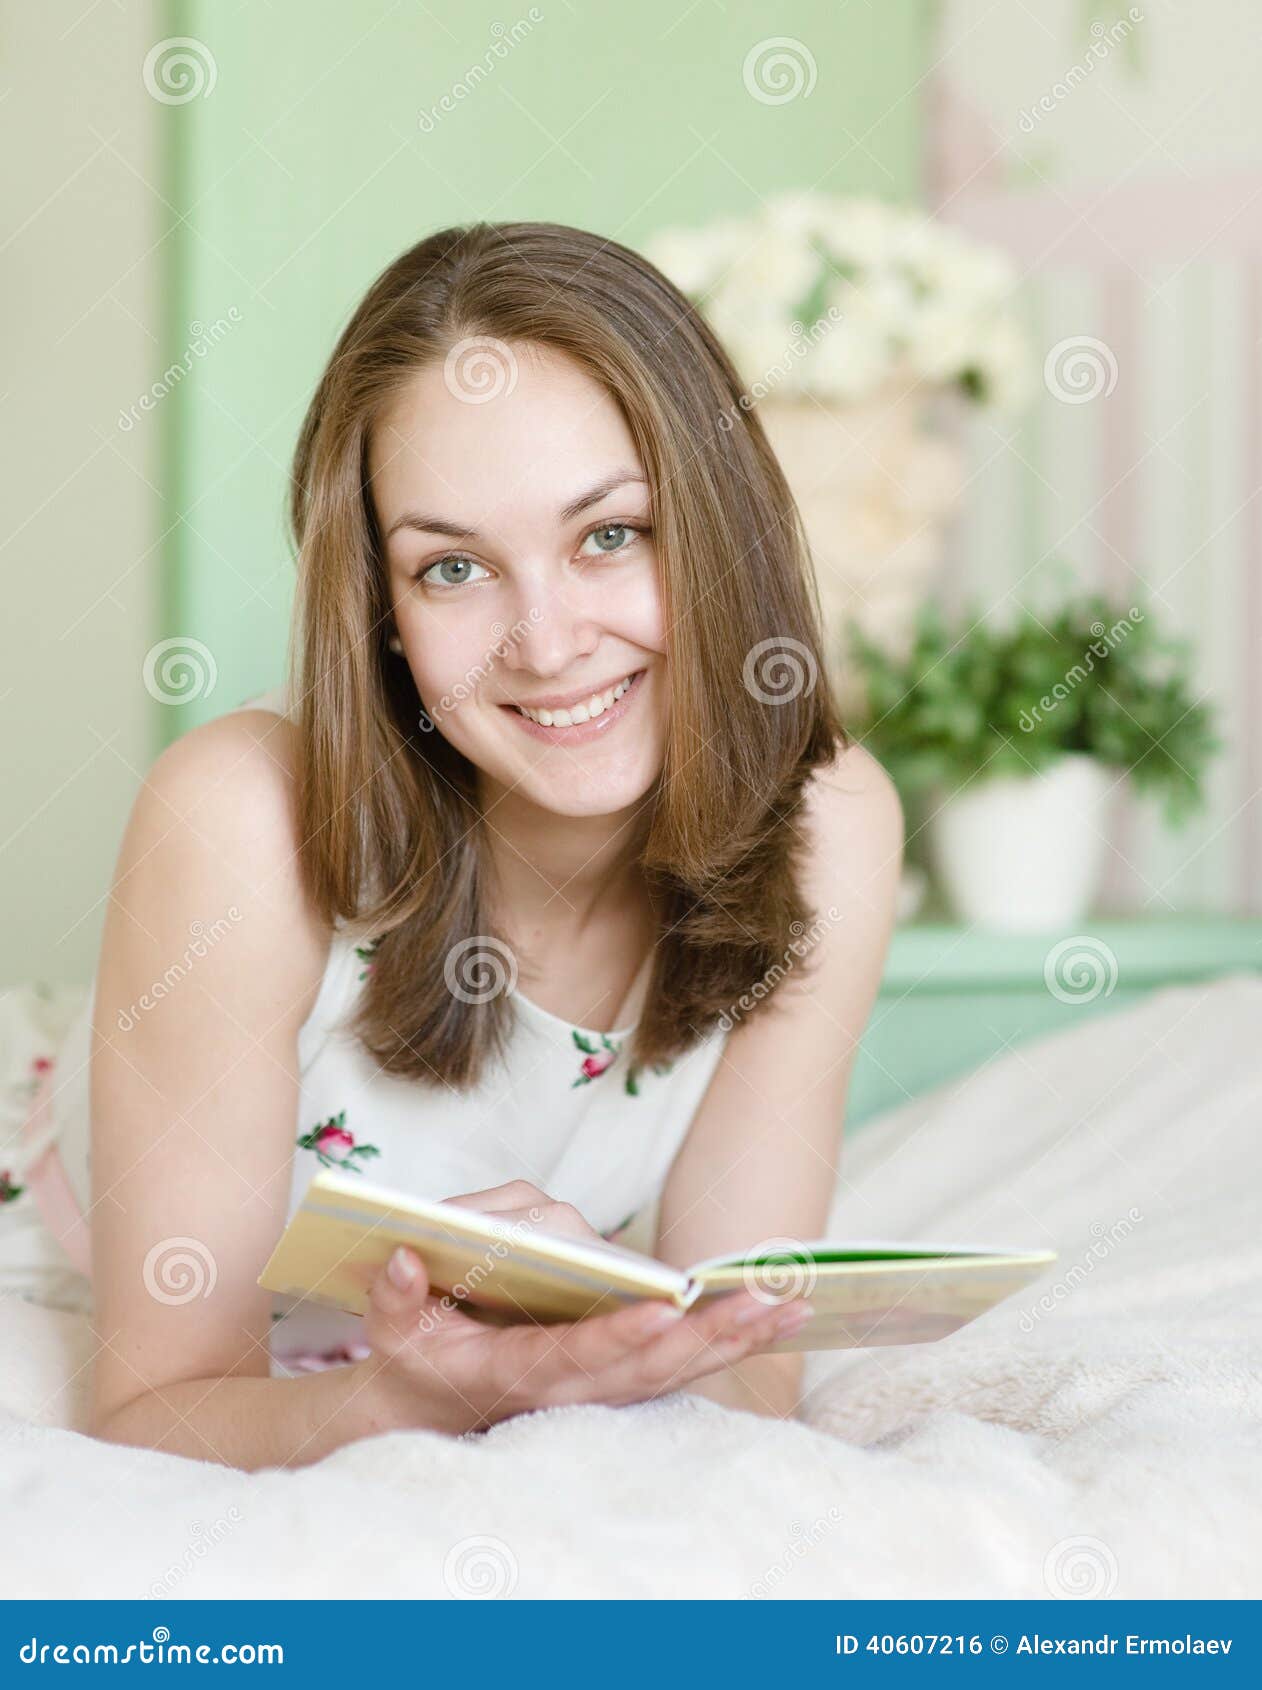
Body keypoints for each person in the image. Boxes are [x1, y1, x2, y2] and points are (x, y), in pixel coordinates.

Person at [31, 220, 903, 1470]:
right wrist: (427, 1400)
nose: (545, 644)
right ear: (383, 615)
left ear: (718, 527)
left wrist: (553, 1370)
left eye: (610, 535)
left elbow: (747, 1374)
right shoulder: (238, 822)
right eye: (452, 569)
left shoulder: (831, 828)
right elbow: (151, 1407)